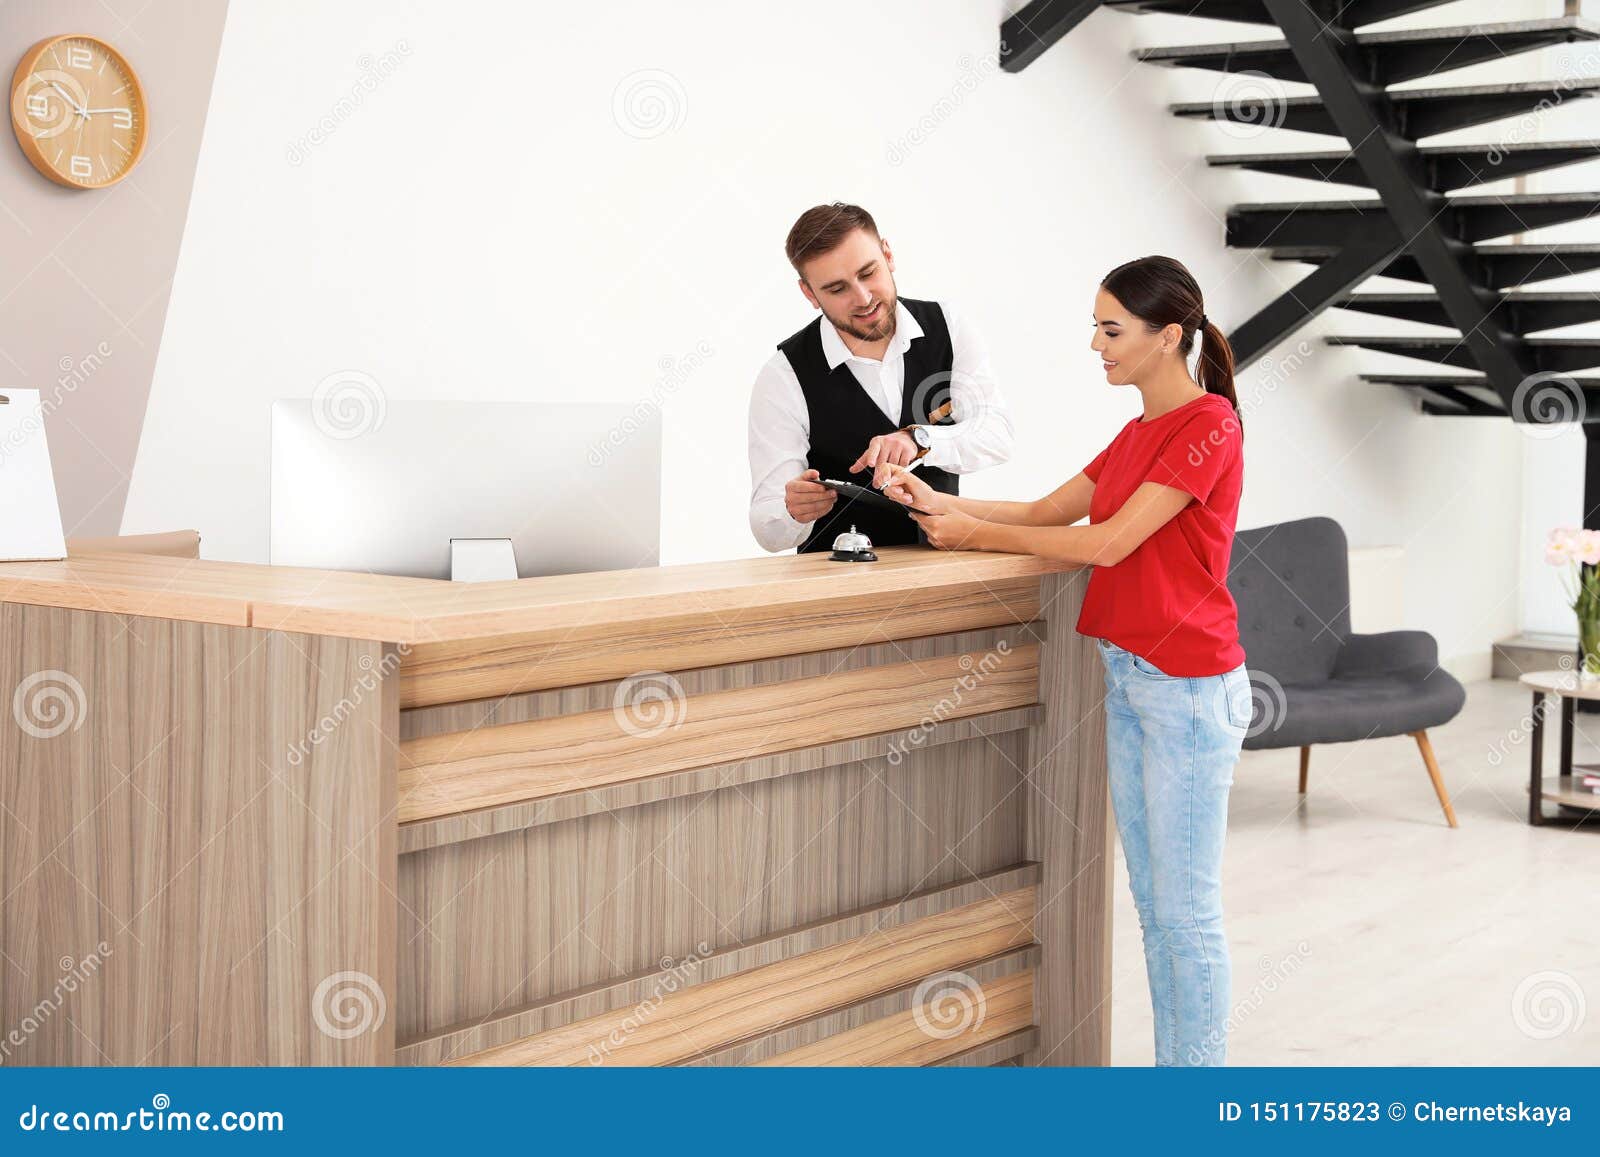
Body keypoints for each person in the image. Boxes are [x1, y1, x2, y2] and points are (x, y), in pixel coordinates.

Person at [880, 255, 1249, 1067]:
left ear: (1168, 337)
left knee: (1186, 914)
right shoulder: (1138, 432)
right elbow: (1047, 510)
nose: (1095, 345)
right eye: (1095, 327)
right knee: (1154, 907)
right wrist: (941, 500)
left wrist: (974, 536)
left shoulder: (1209, 425)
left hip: (1190, 688)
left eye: (1111, 330)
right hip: (1132, 676)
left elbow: (1109, 543)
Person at [747, 202, 1013, 553]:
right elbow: (767, 530)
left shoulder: (949, 327)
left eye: (868, 272)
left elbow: (997, 435)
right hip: (838, 579)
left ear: (887, 255)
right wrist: (792, 511)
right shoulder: (783, 377)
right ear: (809, 294)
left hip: (946, 568)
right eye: (837, 289)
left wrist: (920, 439)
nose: (863, 298)